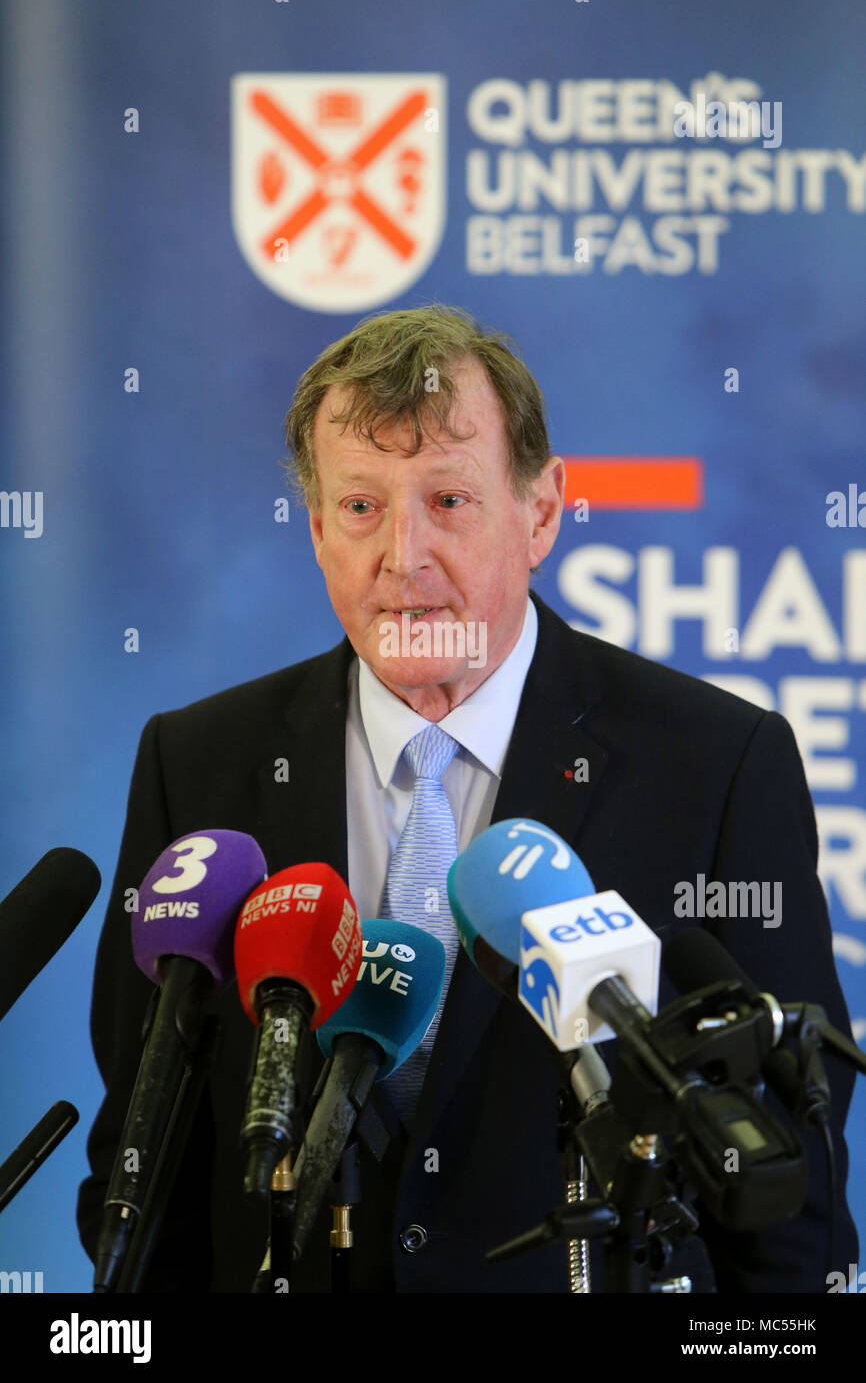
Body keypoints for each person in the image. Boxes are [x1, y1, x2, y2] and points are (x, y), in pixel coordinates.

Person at [78, 304, 858, 1293]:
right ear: (316, 531)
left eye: (447, 500)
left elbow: (784, 1178)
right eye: (360, 507)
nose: (402, 554)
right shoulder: (195, 766)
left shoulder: (714, 763)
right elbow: (141, 1160)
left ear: (539, 514)